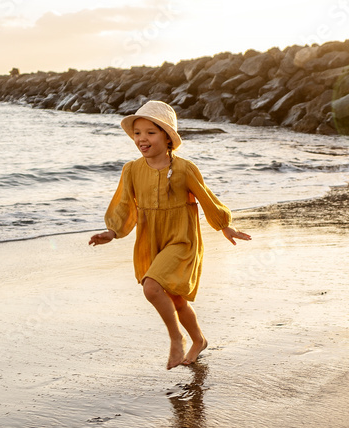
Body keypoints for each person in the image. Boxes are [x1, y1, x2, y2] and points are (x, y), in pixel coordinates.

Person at [89, 100, 251, 370]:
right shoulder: (131, 169)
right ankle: (198, 340)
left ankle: (176, 339)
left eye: (150, 133)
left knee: (151, 288)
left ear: (167, 137)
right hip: (150, 239)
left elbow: (206, 197)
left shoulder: (184, 169)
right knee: (176, 299)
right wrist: (112, 232)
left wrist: (224, 225)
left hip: (181, 238)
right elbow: (124, 205)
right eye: (137, 133)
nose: (142, 139)